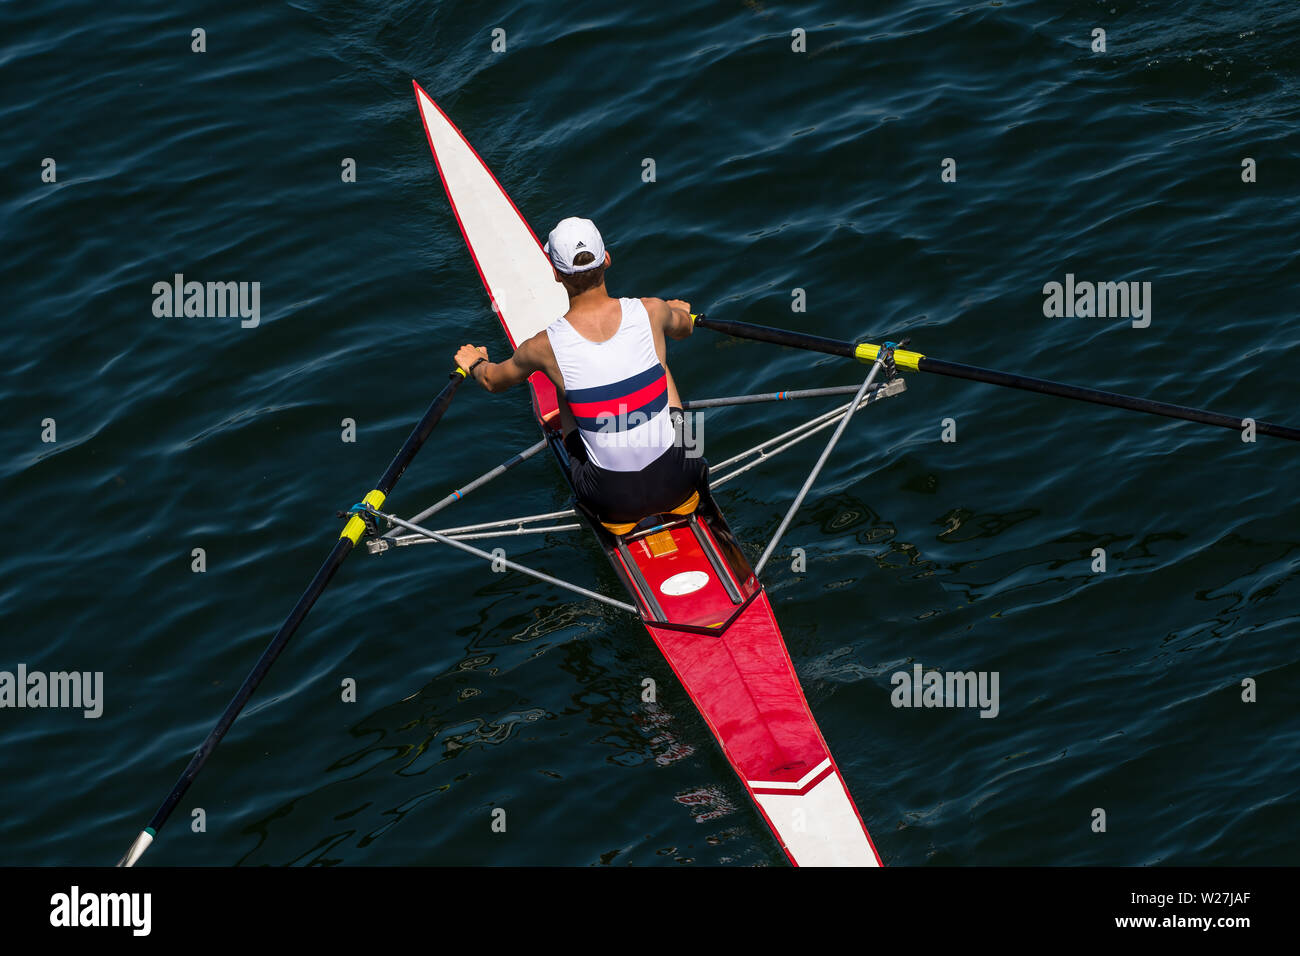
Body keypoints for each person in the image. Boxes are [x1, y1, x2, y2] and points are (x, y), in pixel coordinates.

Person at [454, 217, 705, 525]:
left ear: (557, 274)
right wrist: (677, 312)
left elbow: (492, 381)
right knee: (658, 360)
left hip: (613, 502)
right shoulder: (653, 311)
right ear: (607, 259)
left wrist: (476, 361)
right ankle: (683, 492)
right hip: (682, 481)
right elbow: (684, 330)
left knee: (561, 380)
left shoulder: (542, 346)